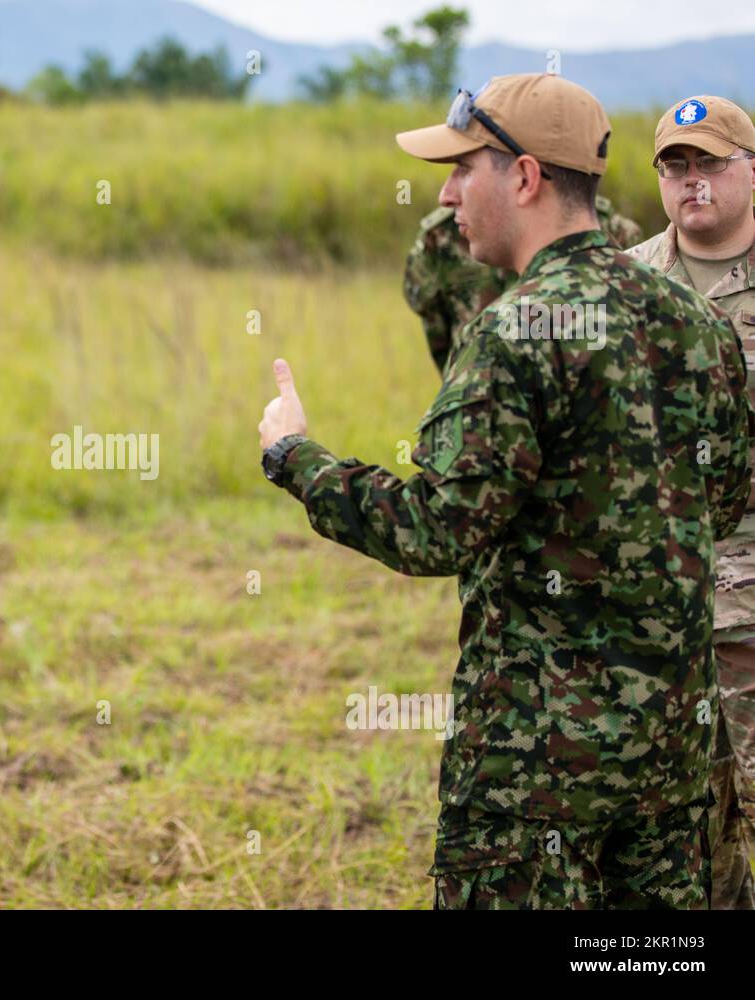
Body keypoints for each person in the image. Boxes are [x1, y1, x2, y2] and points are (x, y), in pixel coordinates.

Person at [258, 73, 753, 908]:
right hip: (670, 754)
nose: (448, 194)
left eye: (464, 170)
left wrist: (296, 457)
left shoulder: (513, 329)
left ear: (524, 179)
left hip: (537, 765)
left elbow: (434, 529)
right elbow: (727, 497)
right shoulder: (689, 318)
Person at [626, 94, 755, 909]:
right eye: (675, 166)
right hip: (664, 602)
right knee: (692, 834)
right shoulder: (630, 281)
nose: (691, 180)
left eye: (709, 162)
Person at [404, 195, 642, 374]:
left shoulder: (610, 230)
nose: (448, 192)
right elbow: (437, 335)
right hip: (481, 396)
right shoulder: (441, 237)